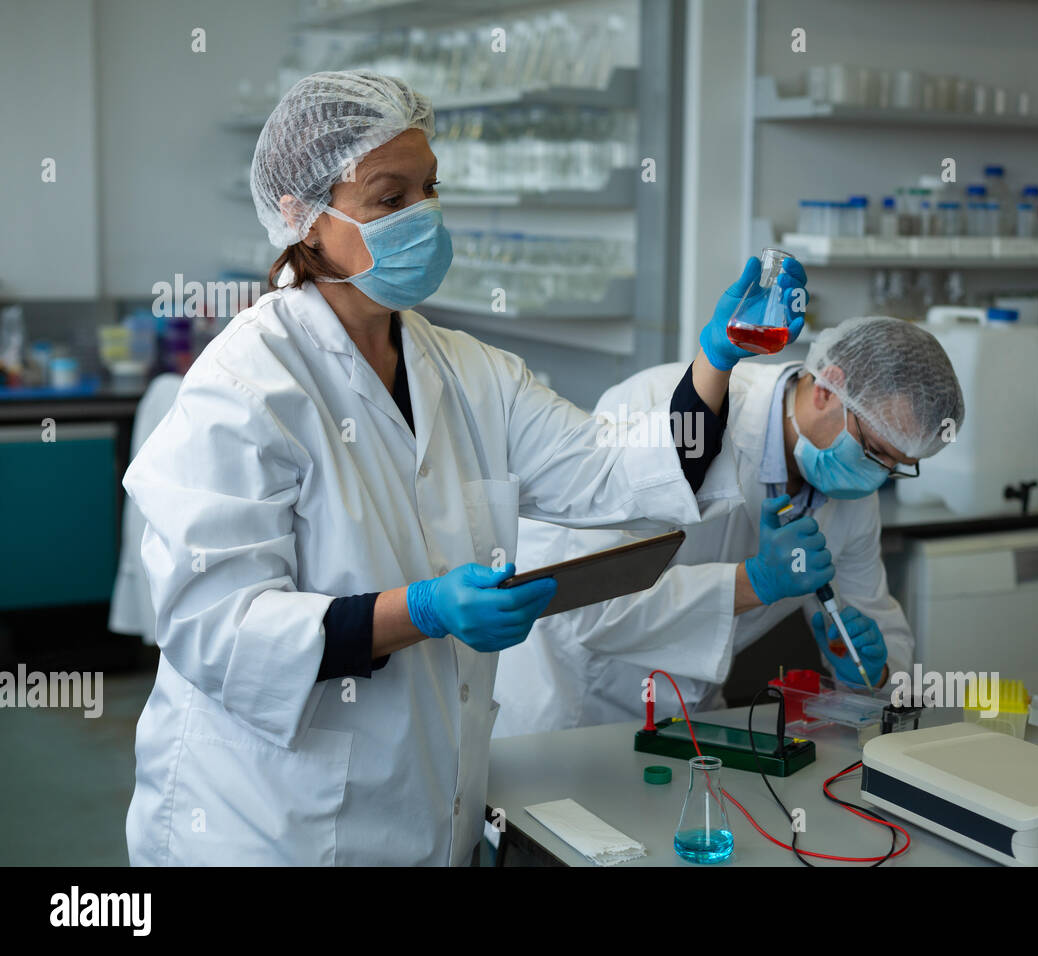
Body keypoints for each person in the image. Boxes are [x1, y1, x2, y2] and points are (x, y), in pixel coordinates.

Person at [122, 71, 806, 866]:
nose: (425, 215)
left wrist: (713, 361)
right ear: (301, 216)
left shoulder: (467, 371)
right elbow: (216, 625)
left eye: (430, 187)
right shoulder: (244, 386)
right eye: (390, 197)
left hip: (426, 804)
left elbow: (615, 472)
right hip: (267, 824)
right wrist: (424, 610)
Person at [493, 316, 963, 736]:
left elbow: (879, 625)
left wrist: (870, 673)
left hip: (689, 715)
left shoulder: (850, 492)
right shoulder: (671, 409)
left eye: (897, 465)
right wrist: (753, 583)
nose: (878, 475)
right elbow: (592, 604)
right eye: (876, 451)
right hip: (573, 703)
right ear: (827, 389)